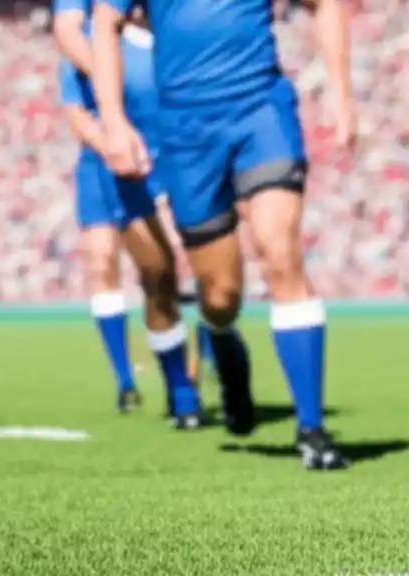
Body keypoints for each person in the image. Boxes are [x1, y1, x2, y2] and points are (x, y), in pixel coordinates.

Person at [91, 0, 355, 469]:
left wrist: (340, 91)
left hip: (261, 111)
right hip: (186, 135)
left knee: (280, 250)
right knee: (220, 294)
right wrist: (112, 119)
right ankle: (220, 335)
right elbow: (102, 22)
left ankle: (311, 428)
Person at [56, 4, 203, 426]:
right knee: (146, 269)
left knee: (212, 269)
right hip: (121, 165)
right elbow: (77, 114)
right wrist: (114, 147)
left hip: (186, 158)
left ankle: (213, 352)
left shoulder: (183, 31)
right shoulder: (96, 42)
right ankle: (153, 381)